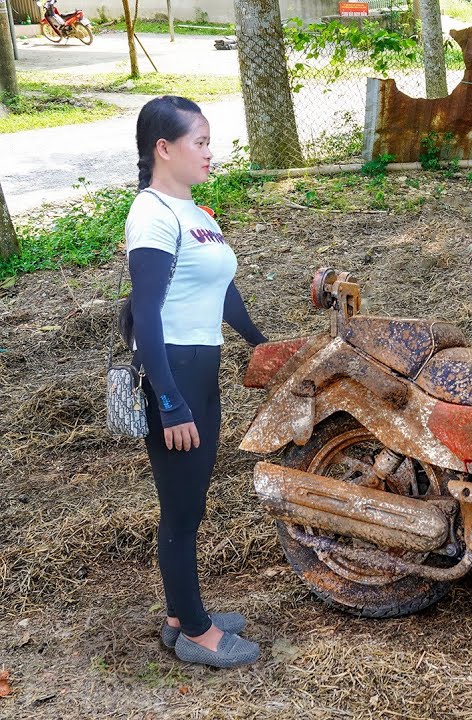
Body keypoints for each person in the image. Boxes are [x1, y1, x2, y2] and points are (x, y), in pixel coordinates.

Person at [126, 96, 267, 668]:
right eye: (200, 142)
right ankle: (196, 633)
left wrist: (262, 343)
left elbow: (223, 292)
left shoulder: (197, 215)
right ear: (164, 149)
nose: (211, 152)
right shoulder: (152, 214)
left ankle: (180, 614)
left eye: (210, 142)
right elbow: (147, 316)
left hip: (200, 369)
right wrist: (169, 402)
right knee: (180, 511)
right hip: (174, 371)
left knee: (191, 504)